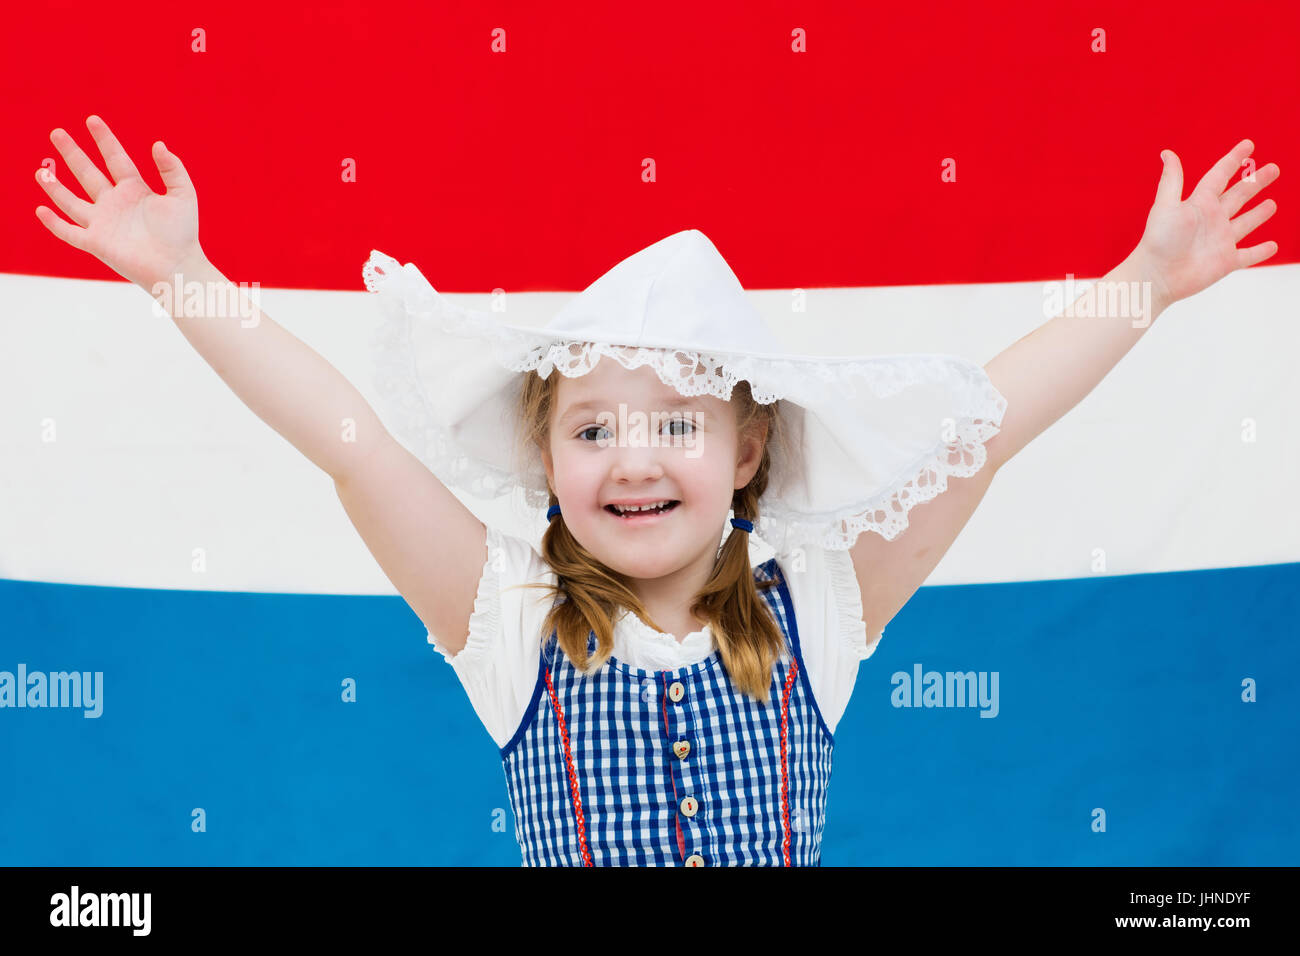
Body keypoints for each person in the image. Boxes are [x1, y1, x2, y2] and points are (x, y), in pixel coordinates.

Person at [34, 116, 1281, 865]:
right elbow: (355, 441)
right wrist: (180, 275)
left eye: (675, 420)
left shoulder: (823, 608)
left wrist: (1144, 284)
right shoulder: (508, 617)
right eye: (592, 427)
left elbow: (988, 425)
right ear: (546, 459)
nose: (632, 456)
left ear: (746, 451)